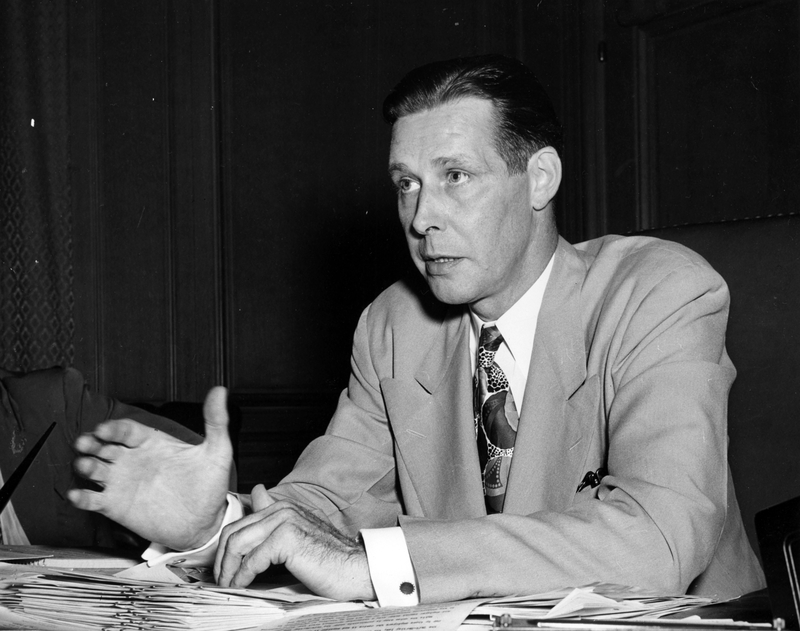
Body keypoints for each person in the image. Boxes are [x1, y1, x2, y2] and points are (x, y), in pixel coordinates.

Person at [68, 54, 765, 605]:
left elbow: (659, 540)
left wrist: (379, 563)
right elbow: (321, 509)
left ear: (539, 178)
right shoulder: (393, 324)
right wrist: (209, 526)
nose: (421, 216)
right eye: (405, 183)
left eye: (455, 175)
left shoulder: (659, 291)